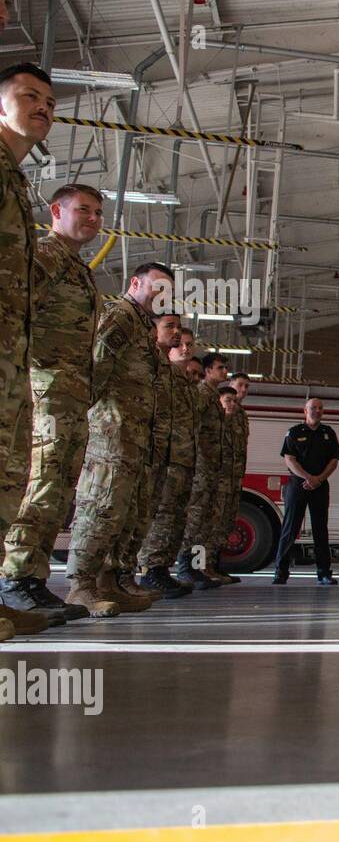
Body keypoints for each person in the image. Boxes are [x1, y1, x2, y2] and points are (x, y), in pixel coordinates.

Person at [0, 184, 104, 629]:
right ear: (55, 211)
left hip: (70, 398)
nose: (94, 219)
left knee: (58, 492)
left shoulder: (78, 270)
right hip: (45, 396)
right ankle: (16, 580)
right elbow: (16, 312)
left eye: (99, 213)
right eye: (84, 210)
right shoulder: (44, 257)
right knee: (39, 486)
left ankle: (34, 579)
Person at [64, 262, 174, 615]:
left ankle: (110, 580)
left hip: (135, 438)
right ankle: (81, 585)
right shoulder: (120, 316)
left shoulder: (142, 327)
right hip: (111, 435)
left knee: (124, 512)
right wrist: (88, 423)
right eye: (158, 287)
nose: (162, 296)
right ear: (136, 282)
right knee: (102, 507)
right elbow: (96, 368)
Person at [0, 63, 55, 640]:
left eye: (48, 100)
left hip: (11, 355)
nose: (42, 106)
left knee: (9, 477)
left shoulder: (16, 180)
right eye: (28, 96)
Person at [118, 305, 183, 601]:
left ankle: (138, 574)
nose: (177, 333)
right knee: (122, 513)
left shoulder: (164, 368)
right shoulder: (141, 359)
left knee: (145, 515)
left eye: (178, 328)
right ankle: (115, 577)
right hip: (133, 447)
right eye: (170, 326)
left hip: (159, 453)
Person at [138, 353, 202, 597]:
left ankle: (161, 569)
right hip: (166, 459)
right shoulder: (160, 374)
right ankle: (150, 571)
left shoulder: (188, 389)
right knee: (162, 515)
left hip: (183, 461)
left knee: (176, 518)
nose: (184, 346)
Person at [272, 396, 339, 585]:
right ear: (305, 411)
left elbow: (334, 460)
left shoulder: (328, 433)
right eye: (313, 407)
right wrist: (308, 477)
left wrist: (318, 479)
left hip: (320, 486)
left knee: (321, 529)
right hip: (298, 486)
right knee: (290, 528)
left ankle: (324, 572)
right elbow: (289, 459)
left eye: (320, 408)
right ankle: (281, 571)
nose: (317, 411)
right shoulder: (294, 432)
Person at [177, 351, 227, 590]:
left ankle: (196, 567)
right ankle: (185, 567)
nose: (224, 372)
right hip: (201, 466)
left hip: (210, 467)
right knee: (195, 517)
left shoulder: (212, 395)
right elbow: (194, 426)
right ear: (208, 371)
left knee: (204, 520)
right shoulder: (203, 394)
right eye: (220, 368)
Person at [207, 371, 251, 583]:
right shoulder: (216, 412)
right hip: (217, 477)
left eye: (246, 387)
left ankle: (214, 566)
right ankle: (202, 567)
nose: (243, 391)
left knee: (225, 523)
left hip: (233, 478)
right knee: (209, 523)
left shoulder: (241, 414)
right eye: (240, 385)